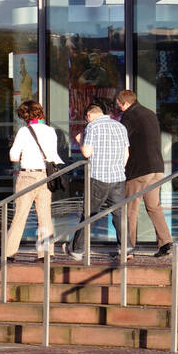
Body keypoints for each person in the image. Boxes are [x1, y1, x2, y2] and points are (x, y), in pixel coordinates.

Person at [61, 102, 129, 261]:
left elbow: (86, 152)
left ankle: (77, 249)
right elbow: (126, 154)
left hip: (99, 176)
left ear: (89, 115)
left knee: (89, 214)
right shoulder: (120, 126)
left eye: (86, 118)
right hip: (118, 177)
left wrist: (80, 140)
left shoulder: (92, 127)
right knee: (119, 213)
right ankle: (126, 248)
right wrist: (118, 168)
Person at [115, 89, 172, 257]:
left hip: (139, 170)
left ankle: (128, 248)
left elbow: (121, 139)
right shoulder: (150, 113)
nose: (119, 109)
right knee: (154, 207)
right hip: (156, 168)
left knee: (129, 209)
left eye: (119, 106)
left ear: (125, 103)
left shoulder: (129, 116)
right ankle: (166, 242)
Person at [3, 100, 62, 261]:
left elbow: (13, 156)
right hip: (45, 176)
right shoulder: (51, 131)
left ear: (25, 116)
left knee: (20, 215)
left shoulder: (24, 131)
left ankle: (9, 252)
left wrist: (25, 155)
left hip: (28, 176)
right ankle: (46, 254)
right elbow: (52, 155)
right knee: (45, 216)